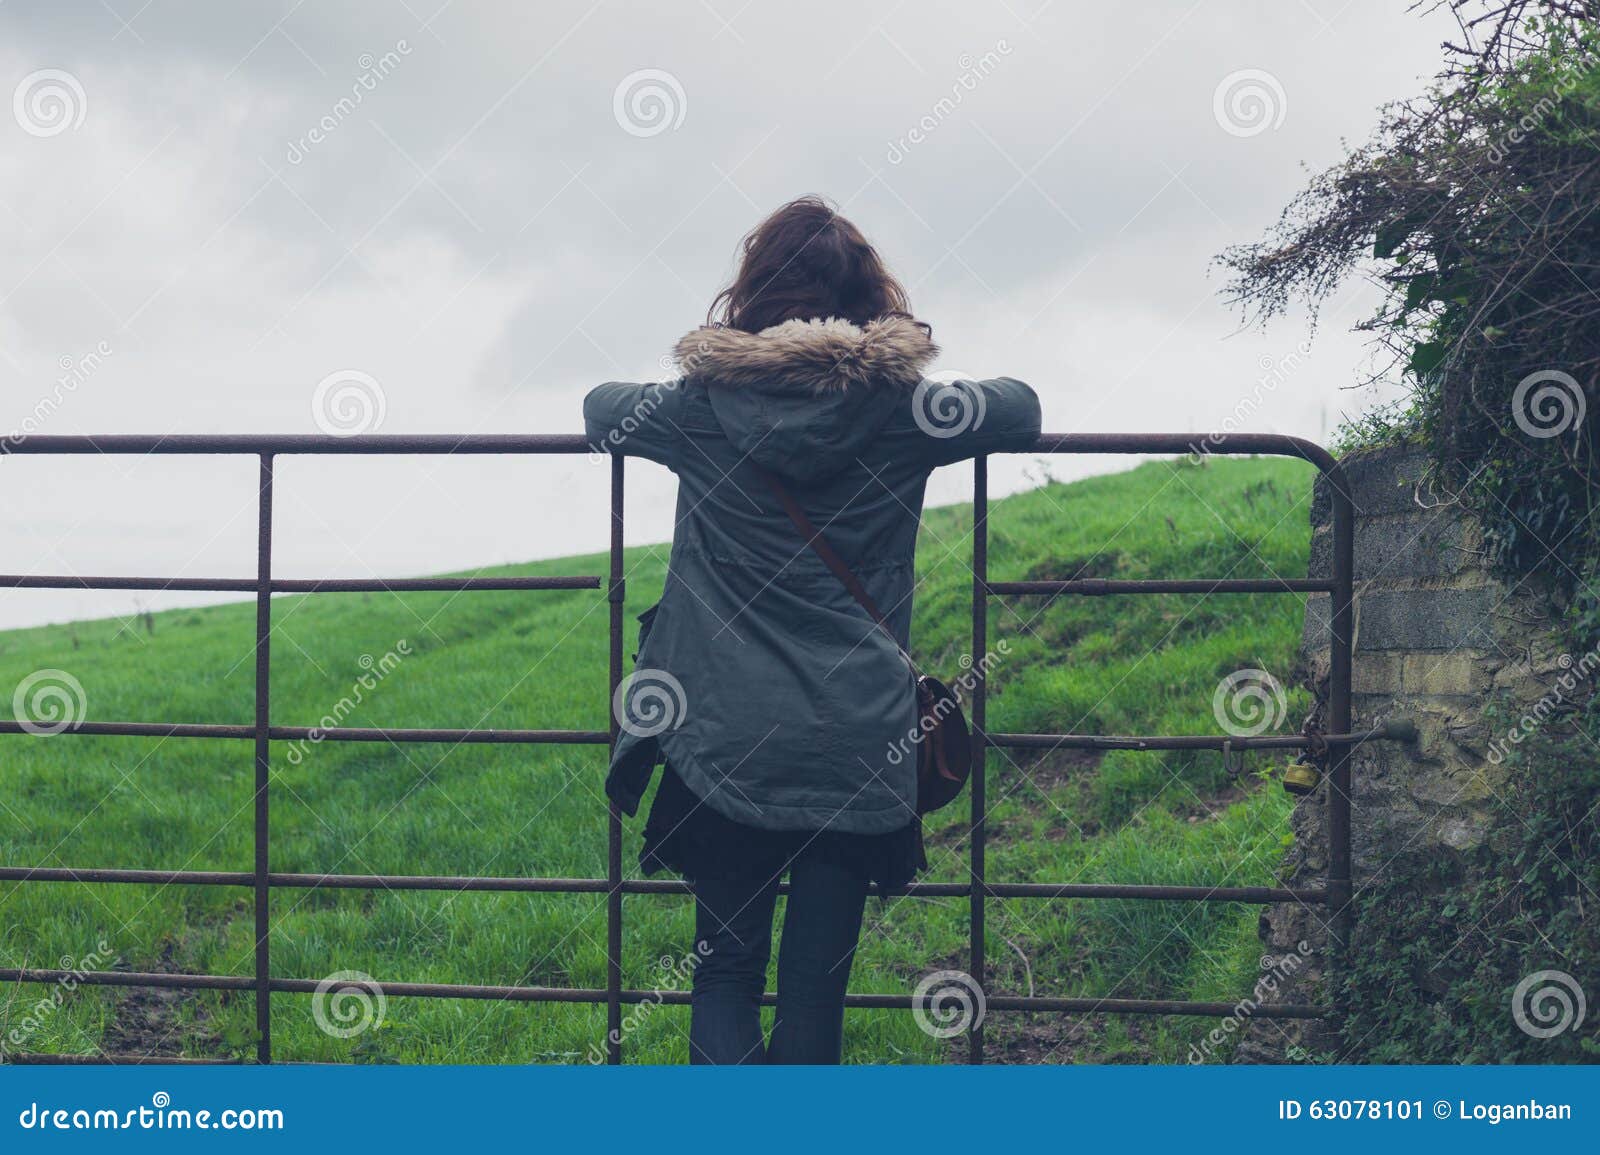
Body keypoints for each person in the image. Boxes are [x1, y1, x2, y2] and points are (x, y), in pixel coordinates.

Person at [584, 195, 1040, 1064]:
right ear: (868, 298)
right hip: (854, 738)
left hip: (724, 738)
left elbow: (600, 408)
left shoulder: (698, 409)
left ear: (752, 296)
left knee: (724, 972)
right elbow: (1021, 408)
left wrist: (718, 364)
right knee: (813, 990)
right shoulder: (904, 411)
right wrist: (896, 364)